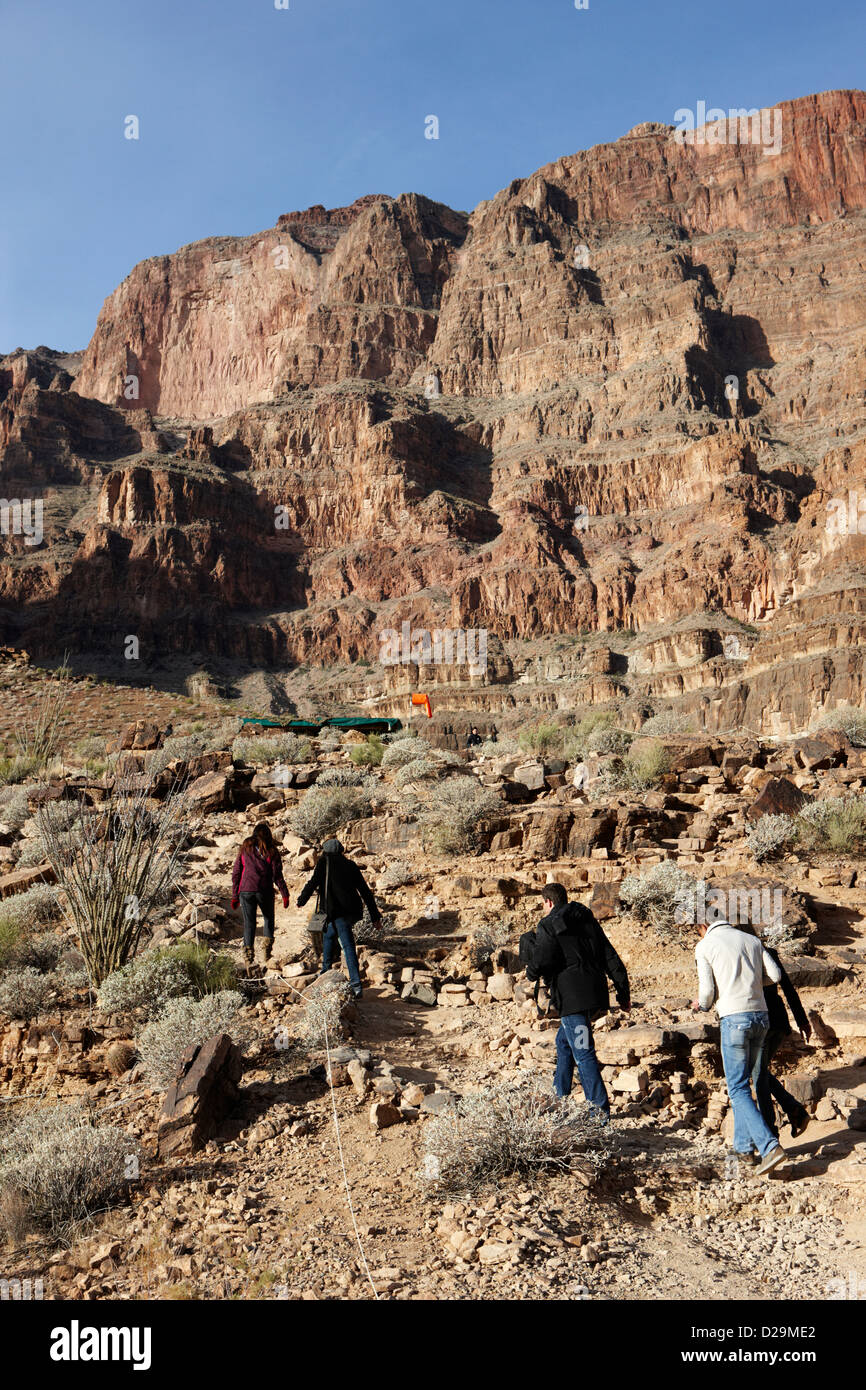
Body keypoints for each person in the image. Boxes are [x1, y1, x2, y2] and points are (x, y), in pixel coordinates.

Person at [526, 882, 630, 1124]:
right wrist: (623, 992)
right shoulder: (587, 919)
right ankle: (559, 1098)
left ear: (548, 902)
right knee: (564, 1043)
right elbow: (609, 954)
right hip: (594, 996)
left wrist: (531, 971)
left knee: (583, 1053)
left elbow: (543, 958)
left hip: (574, 1001)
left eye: (543, 904)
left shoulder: (549, 924)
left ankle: (599, 1114)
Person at [691, 914, 787, 1175]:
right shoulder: (751, 940)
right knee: (747, 1084)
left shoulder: (705, 945)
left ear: (703, 927)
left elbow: (707, 991)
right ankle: (744, 1148)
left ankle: (769, 1147)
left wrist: (702, 1004)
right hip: (761, 1017)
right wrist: (751, 983)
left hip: (734, 1019)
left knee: (737, 1088)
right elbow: (775, 975)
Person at [740, 930, 811, 1139]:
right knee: (757, 1070)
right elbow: (788, 989)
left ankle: (771, 1134)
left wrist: (803, 1021)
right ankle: (794, 1111)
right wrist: (802, 1020)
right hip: (778, 1023)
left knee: (757, 1075)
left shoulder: (740, 957)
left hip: (762, 1024)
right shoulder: (767, 952)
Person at [297, 838, 381, 999]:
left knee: (347, 945)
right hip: (349, 911)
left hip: (333, 912)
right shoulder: (350, 865)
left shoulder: (324, 863)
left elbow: (313, 883)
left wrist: (302, 899)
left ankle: (355, 984)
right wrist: (374, 916)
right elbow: (365, 891)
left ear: (326, 852)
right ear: (341, 851)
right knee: (329, 937)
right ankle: (325, 974)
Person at [231, 822, 289, 968]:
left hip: (246, 891)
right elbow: (277, 875)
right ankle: (266, 954)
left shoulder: (245, 848)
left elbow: (236, 872)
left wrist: (234, 895)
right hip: (265, 891)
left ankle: (248, 959)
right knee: (268, 919)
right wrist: (284, 894)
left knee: (249, 924)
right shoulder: (272, 851)